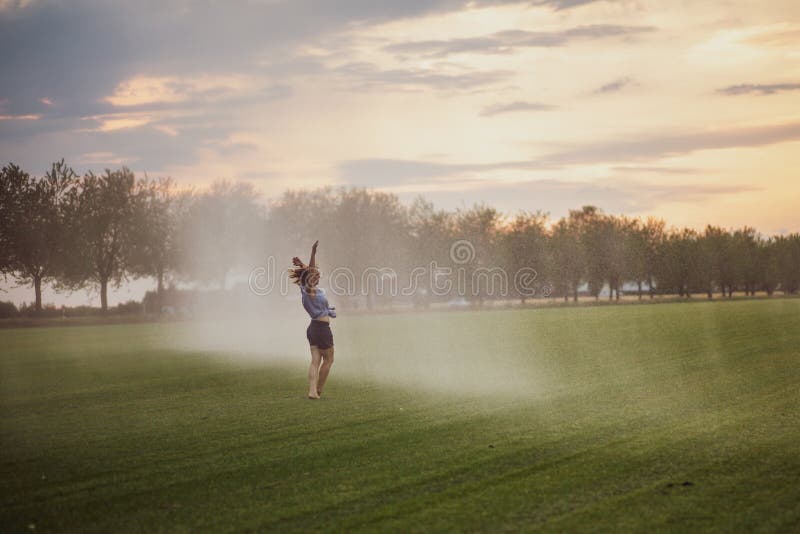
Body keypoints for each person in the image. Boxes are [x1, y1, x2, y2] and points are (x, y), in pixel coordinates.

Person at [289, 240, 336, 399]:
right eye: (315, 275)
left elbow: (309, 274)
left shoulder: (308, 291)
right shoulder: (310, 291)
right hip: (321, 329)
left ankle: (312, 391)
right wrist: (312, 254)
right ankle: (319, 390)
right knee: (329, 360)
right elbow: (309, 274)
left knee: (315, 360)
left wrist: (303, 264)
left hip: (313, 329)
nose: (318, 276)